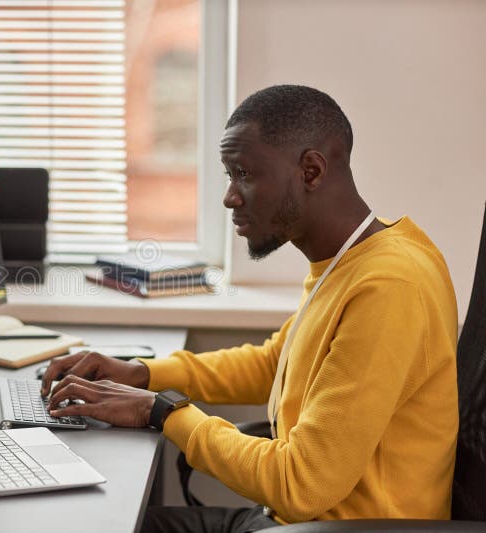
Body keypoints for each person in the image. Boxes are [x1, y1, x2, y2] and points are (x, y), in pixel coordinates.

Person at [40, 85, 458, 532]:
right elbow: (276, 364)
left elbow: (301, 484)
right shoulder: (350, 261)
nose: (230, 197)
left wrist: (159, 411)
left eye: (243, 174)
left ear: (311, 171)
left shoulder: (388, 287)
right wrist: (142, 374)